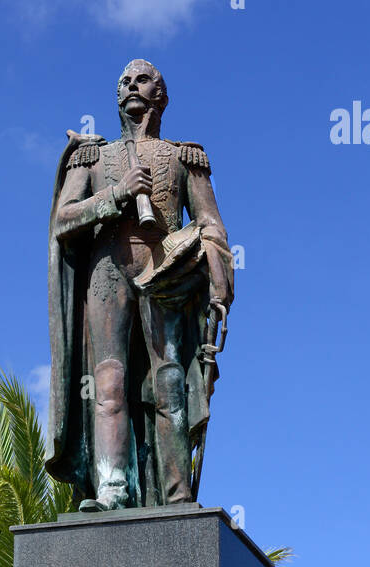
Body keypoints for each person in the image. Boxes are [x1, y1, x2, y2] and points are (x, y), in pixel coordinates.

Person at [46, 59, 235, 510]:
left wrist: (219, 281)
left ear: (161, 96)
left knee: (168, 380)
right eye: (124, 82)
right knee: (108, 380)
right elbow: (62, 220)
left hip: (164, 270)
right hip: (106, 271)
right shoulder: (92, 156)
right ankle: (113, 490)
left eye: (142, 79)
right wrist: (116, 194)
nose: (132, 85)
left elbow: (211, 225)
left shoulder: (184, 158)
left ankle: (176, 494)